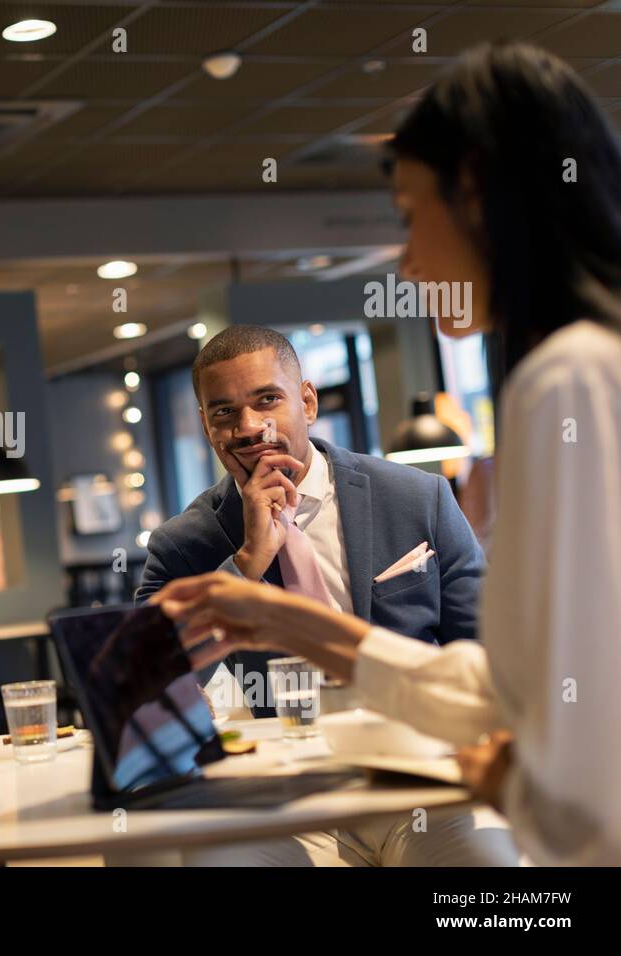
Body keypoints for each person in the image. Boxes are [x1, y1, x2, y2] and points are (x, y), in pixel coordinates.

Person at [155, 42, 621, 866]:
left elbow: (573, 745)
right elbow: (521, 687)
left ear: (472, 189)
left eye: (410, 217)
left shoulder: (569, 380)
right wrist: (272, 610)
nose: (407, 260)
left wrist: (514, 780)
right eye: (223, 412)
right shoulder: (579, 367)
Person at [135, 324, 513, 866]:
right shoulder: (181, 544)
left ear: (307, 401)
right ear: (205, 425)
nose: (249, 427)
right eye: (223, 412)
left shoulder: (417, 498)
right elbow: (139, 690)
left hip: (415, 781)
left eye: (267, 399)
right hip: (278, 798)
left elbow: (484, 650)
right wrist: (244, 565)